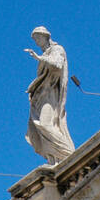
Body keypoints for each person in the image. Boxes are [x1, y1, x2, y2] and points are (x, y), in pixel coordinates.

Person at [24, 27, 74, 165]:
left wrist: (39, 58)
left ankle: (68, 154)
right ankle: (54, 159)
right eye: (35, 40)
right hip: (41, 96)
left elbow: (57, 65)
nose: (36, 42)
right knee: (40, 127)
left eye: (38, 38)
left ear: (46, 36)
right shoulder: (47, 53)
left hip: (51, 95)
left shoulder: (57, 49)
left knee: (45, 125)